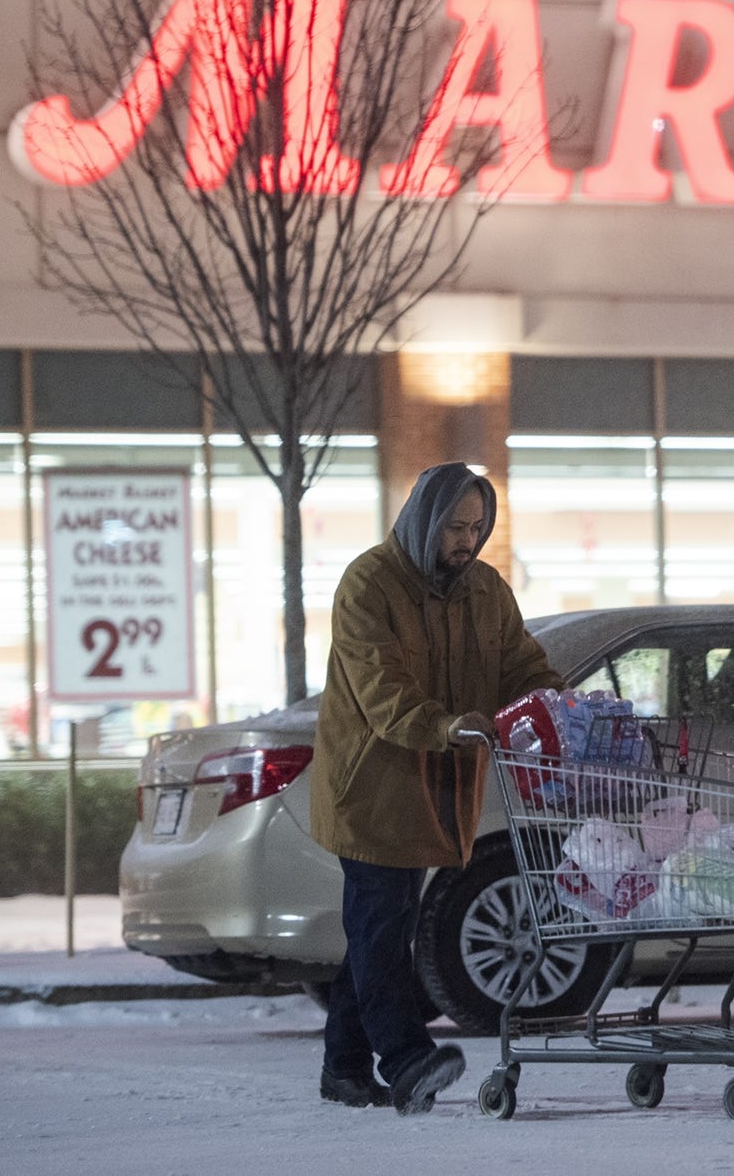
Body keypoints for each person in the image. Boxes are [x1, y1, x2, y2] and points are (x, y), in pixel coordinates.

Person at [309, 461, 564, 1113]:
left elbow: (519, 665)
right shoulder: (370, 583)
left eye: (477, 528)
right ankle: (406, 1058)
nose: (467, 540)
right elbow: (381, 690)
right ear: (424, 516)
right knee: (381, 924)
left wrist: (556, 704)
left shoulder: (486, 590)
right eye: (456, 526)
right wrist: (447, 725)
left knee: (380, 931)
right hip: (372, 786)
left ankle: (343, 1067)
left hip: (438, 792)